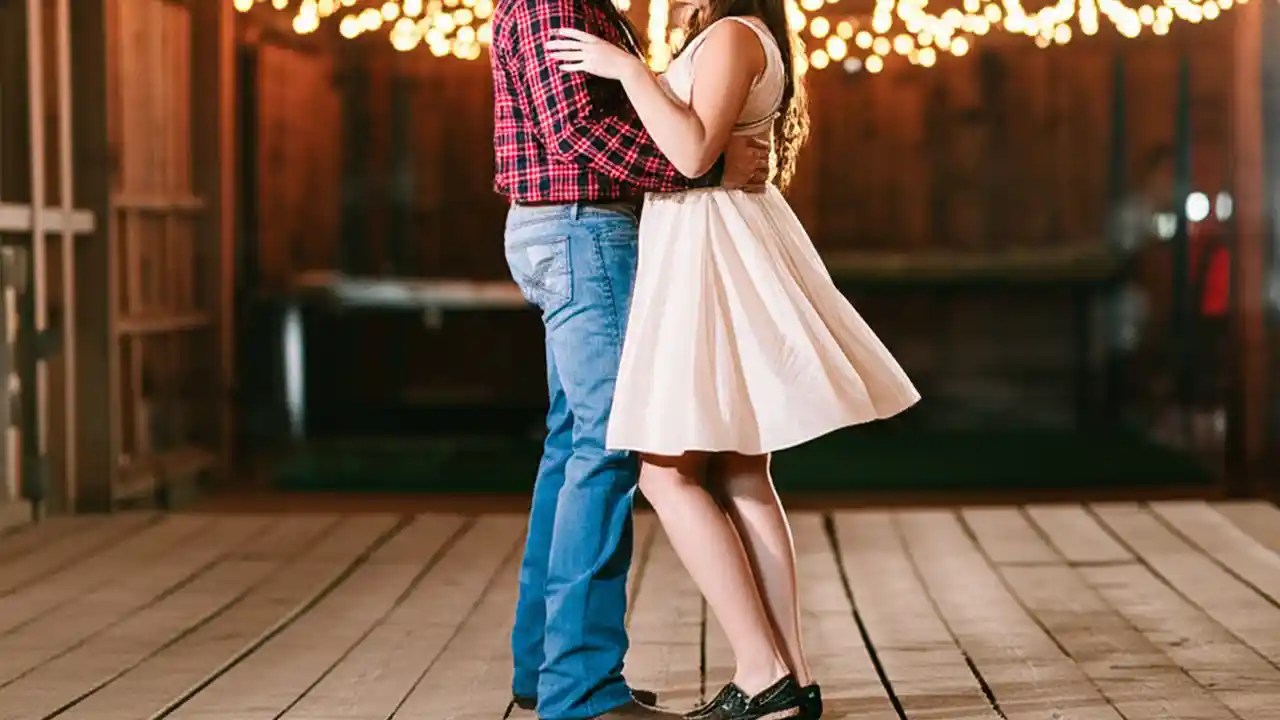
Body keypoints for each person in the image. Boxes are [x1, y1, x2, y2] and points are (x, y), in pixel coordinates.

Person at [547, 0, 920, 717]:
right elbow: (694, 143)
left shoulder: (730, 38)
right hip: (707, 238)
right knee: (741, 467)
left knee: (666, 470)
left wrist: (626, 69)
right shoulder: (731, 36)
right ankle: (788, 680)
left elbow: (690, 153)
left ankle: (761, 670)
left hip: (709, 250)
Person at [490, 0, 771, 716]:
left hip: (573, 228)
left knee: (572, 445)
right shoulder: (555, 3)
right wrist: (701, 171)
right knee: (611, 446)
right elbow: (576, 129)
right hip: (581, 230)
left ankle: (544, 668)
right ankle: (581, 690)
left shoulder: (586, 5)